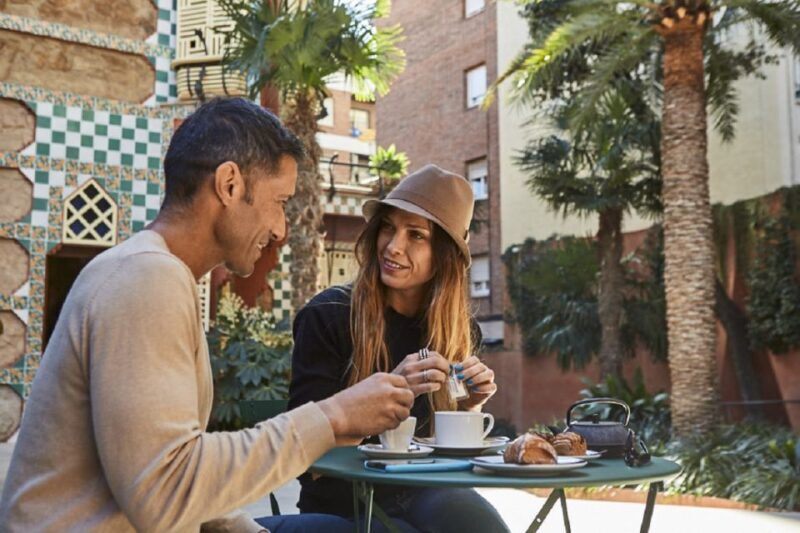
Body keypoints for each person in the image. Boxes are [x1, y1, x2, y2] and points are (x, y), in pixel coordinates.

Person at [0, 98, 415, 532]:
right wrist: (334, 417)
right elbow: (167, 493)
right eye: (279, 202)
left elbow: (180, 474)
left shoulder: (157, 274)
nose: (280, 229)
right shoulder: (146, 279)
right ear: (230, 185)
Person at [288, 164, 509, 532]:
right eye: (389, 227)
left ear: (444, 254)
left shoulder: (458, 330)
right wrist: (387, 390)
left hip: (425, 489)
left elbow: (444, 454)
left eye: (416, 235)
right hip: (345, 501)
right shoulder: (329, 316)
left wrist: (470, 405)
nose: (393, 247)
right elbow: (301, 458)